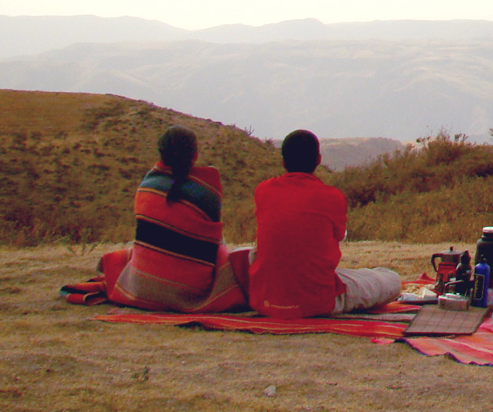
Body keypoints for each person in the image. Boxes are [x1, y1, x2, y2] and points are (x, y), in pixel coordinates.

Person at [248, 130, 399, 318]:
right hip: (318, 302)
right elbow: (339, 237)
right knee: (391, 279)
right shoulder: (332, 197)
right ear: (318, 160)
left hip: (266, 302)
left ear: (283, 162)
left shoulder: (262, 191)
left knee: (251, 252)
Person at [106, 125, 248, 312]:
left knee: (118, 258)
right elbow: (211, 242)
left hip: (142, 287)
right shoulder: (206, 191)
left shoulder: (146, 187)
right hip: (191, 291)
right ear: (195, 155)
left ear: (161, 153)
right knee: (226, 252)